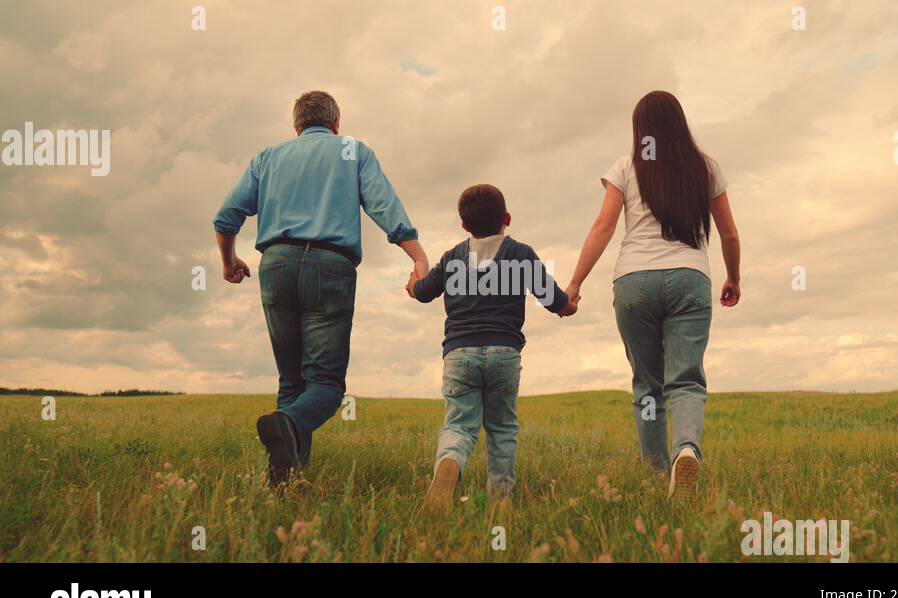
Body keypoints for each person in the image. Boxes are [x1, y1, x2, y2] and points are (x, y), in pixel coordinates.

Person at [212, 90, 429, 487]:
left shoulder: (268, 158)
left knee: (290, 381)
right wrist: (416, 256)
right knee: (326, 386)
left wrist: (228, 262)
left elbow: (226, 217)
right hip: (331, 267)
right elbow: (385, 206)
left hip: (275, 265)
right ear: (335, 124)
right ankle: (287, 426)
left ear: (296, 126)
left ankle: (288, 482)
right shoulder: (353, 151)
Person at [565, 91, 741, 502]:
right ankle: (686, 450)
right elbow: (729, 233)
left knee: (648, 385)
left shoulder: (625, 168)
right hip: (689, 279)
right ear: (679, 122)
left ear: (640, 129)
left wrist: (574, 284)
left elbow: (603, 228)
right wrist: (733, 276)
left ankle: (655, 474)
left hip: (634, 284)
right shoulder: (705, 167)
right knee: (686, 379)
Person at [407, 184, 577, 513]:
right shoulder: (521, 254)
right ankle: (500, 502)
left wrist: (412, 284)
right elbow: (556, 302)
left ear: (464, 226)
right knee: (501, 429)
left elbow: (424, 291)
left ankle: (451, 461)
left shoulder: (453, 257)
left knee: (458, 425)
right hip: (504, 353)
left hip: (459, 355)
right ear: (507, 218)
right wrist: (569, 304)